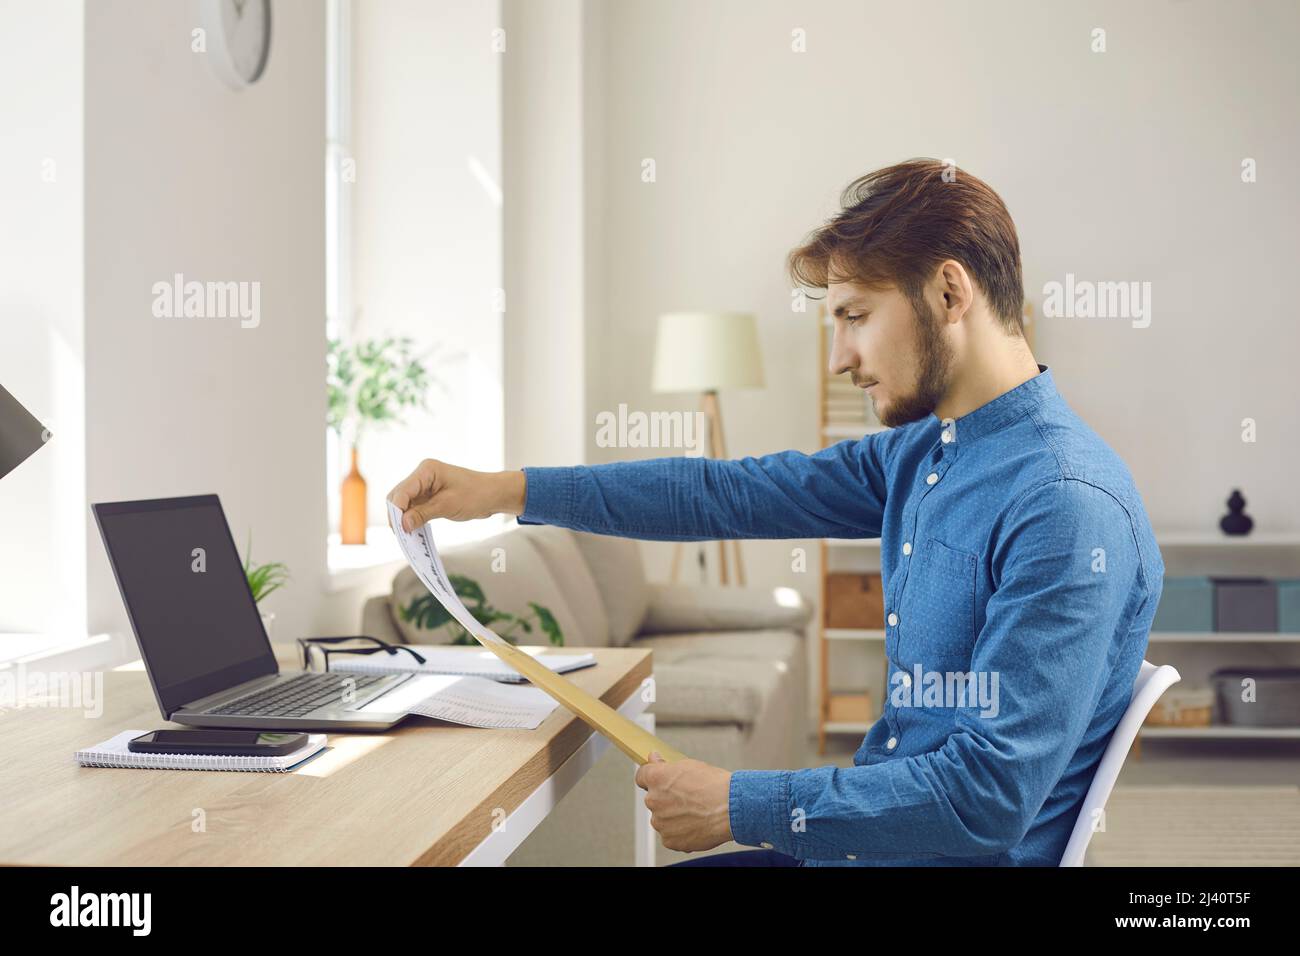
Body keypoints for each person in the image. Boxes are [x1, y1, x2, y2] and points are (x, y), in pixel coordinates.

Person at [388, 158, 1164, 867]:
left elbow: (983, 800)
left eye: (854, 316)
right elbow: (724, 493)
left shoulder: (1064, 506)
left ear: (950, 293)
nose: (838, 358)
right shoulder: (926, 453)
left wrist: (741, 805)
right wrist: (510, 489)